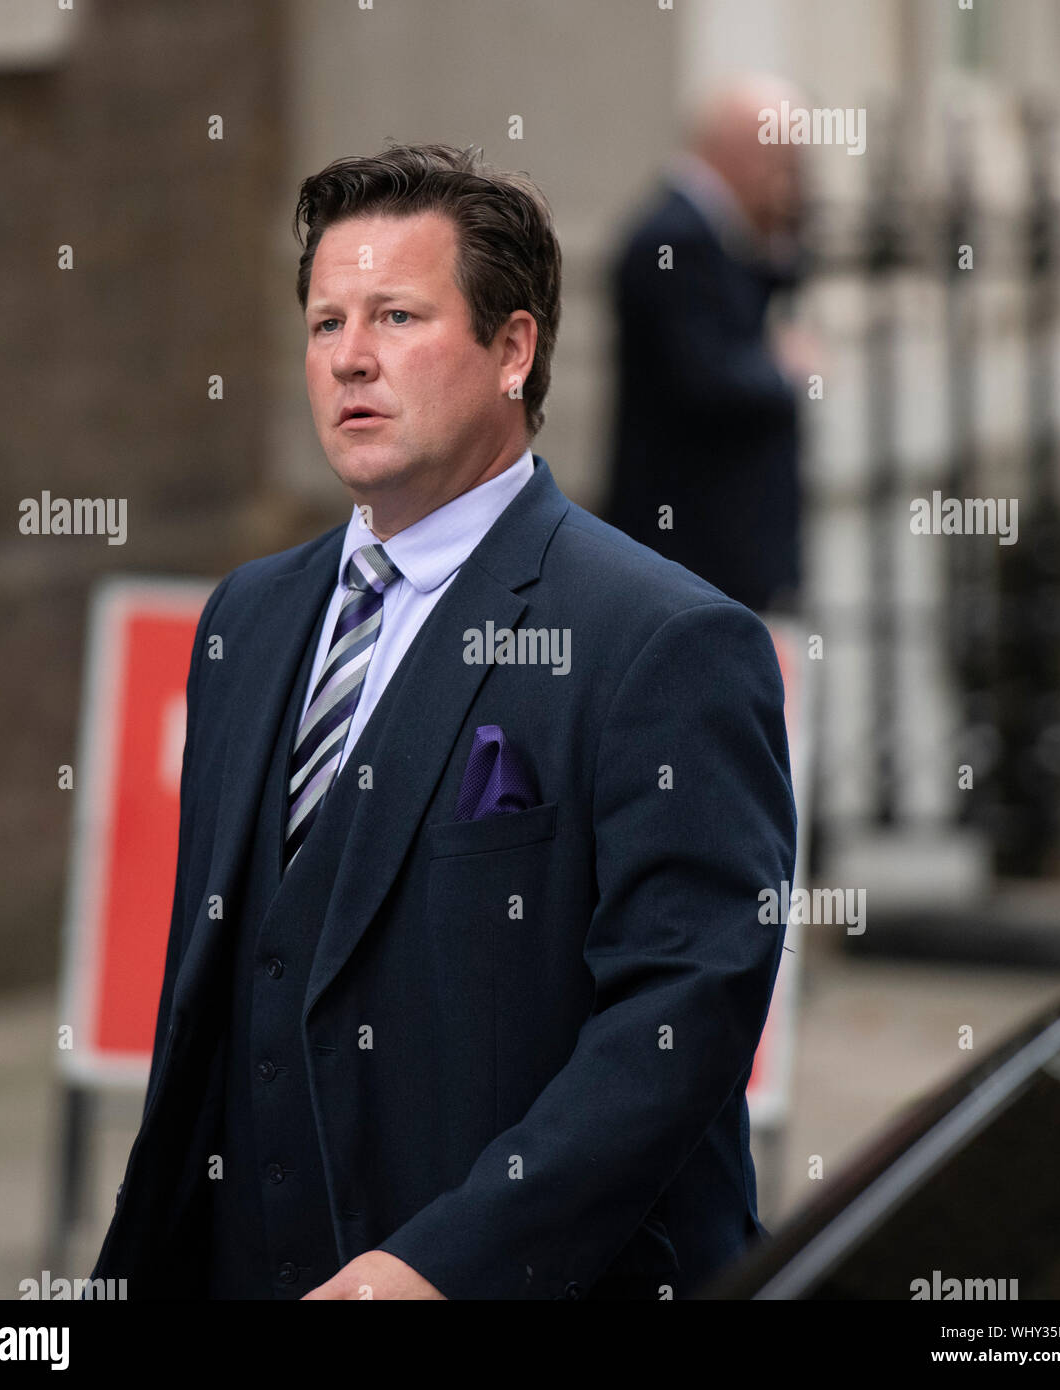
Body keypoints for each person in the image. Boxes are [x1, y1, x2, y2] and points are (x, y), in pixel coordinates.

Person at [91, 142, 796, 1301]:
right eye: (325, 325)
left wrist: (437, 1268)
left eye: (397, 316)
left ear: (512, 349)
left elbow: (680, 1024)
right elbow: (223, 1007)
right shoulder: (247, 619)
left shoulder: (662, 642)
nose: (350, 360)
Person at [602, 76, 810, 616]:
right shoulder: (676, 236)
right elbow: (704, 378)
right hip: (695, 550)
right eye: (784, 161)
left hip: (715, 552)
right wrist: (784, 370)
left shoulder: (714, 232)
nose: (790, 183)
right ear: (746, 151)